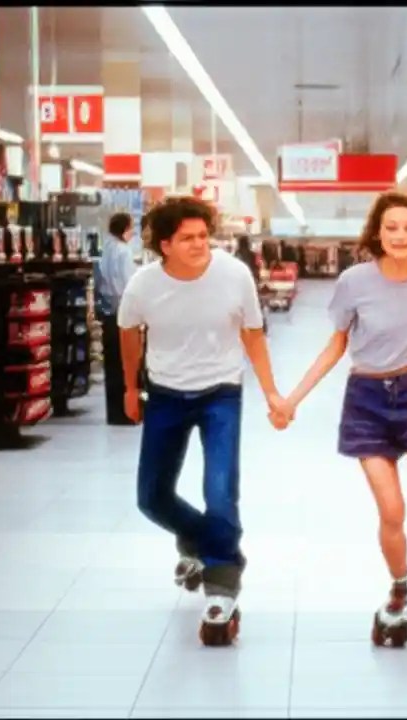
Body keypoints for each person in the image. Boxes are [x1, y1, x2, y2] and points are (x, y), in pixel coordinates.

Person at [270, 191, 407, 673]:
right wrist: (291, 399)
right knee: (392, 511)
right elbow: (336, 346)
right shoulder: (353, 281)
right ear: (377, 232)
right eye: (391, 227)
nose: (399, 236)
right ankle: (399, 589)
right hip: (367, 399)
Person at [117, 196, 283, 647]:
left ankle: (222, 581)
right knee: (151, 497)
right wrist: (131, 388)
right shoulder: (143, 285)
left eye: (203, 236)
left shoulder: (234, 274)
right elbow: (128, 331)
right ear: (164, 245)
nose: (199, 245)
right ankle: (200, 538)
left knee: (220, 489)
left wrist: (270, 391)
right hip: (166, 393)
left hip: (221, 392)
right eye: (187, 238)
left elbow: (253, 334)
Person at [94, 212, 139, 425]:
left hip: (108, 312)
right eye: (131, 227)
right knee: (125, 364)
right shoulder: (123, 251)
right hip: (123, 313)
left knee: (112, 364)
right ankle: (125, 412)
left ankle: (113, 413)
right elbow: (128, 284)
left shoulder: (107, 249)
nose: (133, 232)